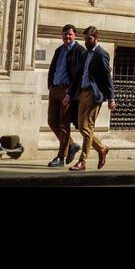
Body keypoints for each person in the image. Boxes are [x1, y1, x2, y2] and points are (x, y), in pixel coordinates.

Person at [71, 26, 116, 170]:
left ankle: (82, 161)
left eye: (89, 39)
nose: (86, 42)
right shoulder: (85, 54)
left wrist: (111, 98)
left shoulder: (101, 54)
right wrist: (69, 93)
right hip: (83, 93)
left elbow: (107, 78)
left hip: (94, 94)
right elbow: (79, 75)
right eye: (85, 39)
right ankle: (102, 148)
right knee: (80, 126)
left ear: (97, 38)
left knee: (87, 126)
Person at [46, 24, 85, 168]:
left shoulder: (79, 51)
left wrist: (71, 92)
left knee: (63, 124)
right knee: (51, 122)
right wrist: (50, 85)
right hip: (55, 90)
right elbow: (52, 68)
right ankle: (72, 145)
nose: (67, 37)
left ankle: (61, 157)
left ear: (75, 35)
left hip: (67, 91)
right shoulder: (59, 50)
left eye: (70, 34)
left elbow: (80, 75)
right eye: (65, 34)